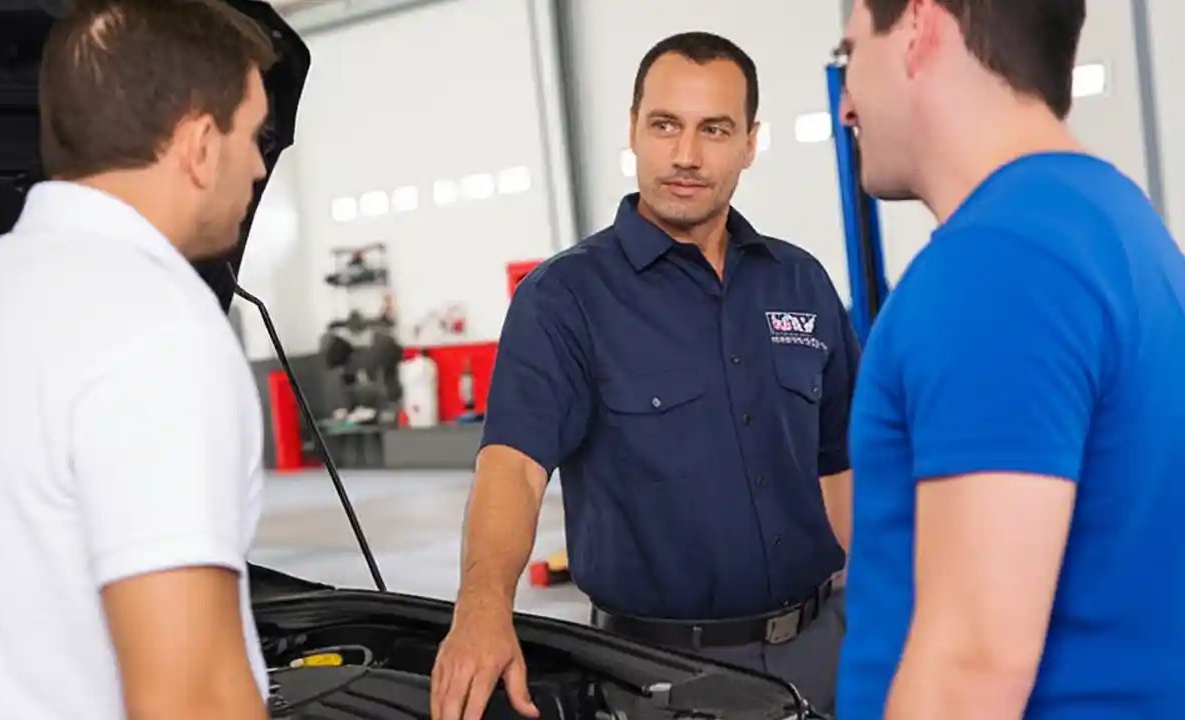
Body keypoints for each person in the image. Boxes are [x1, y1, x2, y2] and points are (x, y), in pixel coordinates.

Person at [431, 31, 858, 719]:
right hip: (656, 679)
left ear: (750, 143)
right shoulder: (564, 299)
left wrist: (869, 601)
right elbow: (512, 468)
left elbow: (840, 463)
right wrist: (482, 609)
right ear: (633, 129)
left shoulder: (801, 283)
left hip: (823, 655)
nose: (686, 155)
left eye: (714, 130)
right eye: (665, 126)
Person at [0, 1, 277, 718]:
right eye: (253, 133)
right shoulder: (154, 324)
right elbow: (191, 699)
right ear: (200, 144)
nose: (260, 163)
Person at [834, 0, 1185, 717]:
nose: (846, 106)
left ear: (917, 29)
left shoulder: (997, 265)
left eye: (849, 58)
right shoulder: (1118, 223)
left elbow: (974, 663)